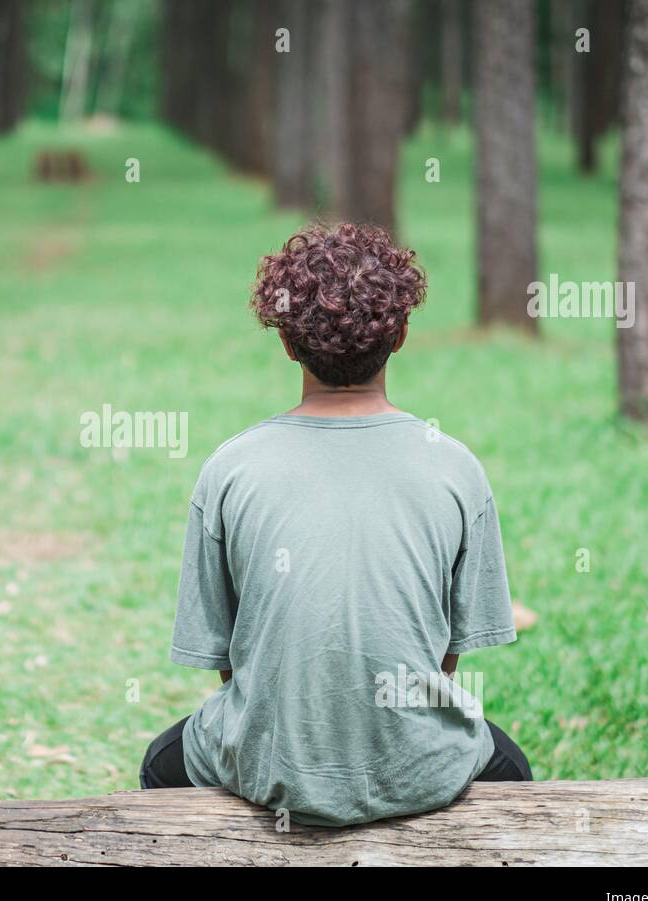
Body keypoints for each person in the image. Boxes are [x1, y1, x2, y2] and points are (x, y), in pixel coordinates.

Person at [140, 223, 531, 827]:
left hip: (264, 763)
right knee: (515, 772)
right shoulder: (455, 467)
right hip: (422, 766)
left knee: (157, 765)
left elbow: (230, 661)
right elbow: (447, 656)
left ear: (288, 344)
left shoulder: (230, 468)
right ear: (400, 334)